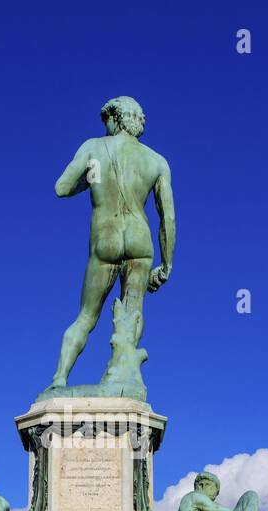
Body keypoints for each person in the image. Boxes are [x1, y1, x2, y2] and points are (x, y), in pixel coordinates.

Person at [47, 95, 174, 391]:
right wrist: (166, 265)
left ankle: (59, 378)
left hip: (106, 239)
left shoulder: (93, 148)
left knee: (87, 316)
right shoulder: (157, 161)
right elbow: (167, 219)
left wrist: (94, 177)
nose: (104, 126)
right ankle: (122, 377)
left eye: (106, 120)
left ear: (116, 118)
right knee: (131, 316)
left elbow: (62, 188)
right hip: (141, 242)